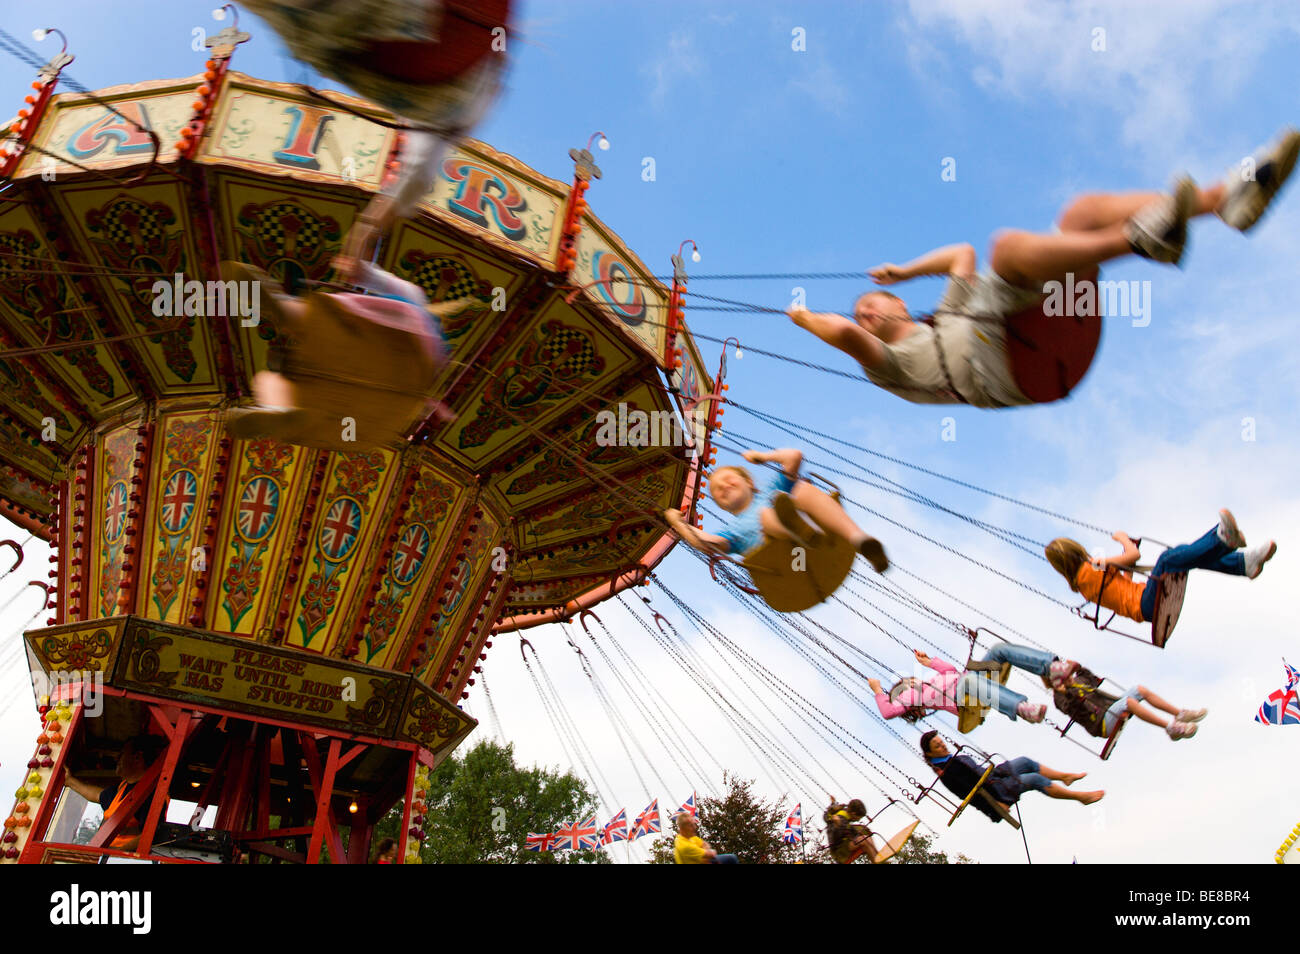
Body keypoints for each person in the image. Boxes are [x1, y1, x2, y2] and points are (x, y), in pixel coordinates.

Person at [789, 127, 1299, 408]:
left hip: (1060, 327)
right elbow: (847, 338)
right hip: (1016, 372)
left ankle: (1224, 200)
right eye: (860, 314)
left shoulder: (945, 316)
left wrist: (903, 270)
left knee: (1080, 213)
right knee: (1006, 251)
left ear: (898, 303)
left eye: (869, 305)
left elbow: (959, 255)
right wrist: (806, 319)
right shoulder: (892, 363)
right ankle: (1142, 238)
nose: (863, 315)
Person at [223, 257, 478, 444]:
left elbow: (369, 275)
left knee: (272, 373)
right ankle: (279, 408)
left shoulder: (416, 298)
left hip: (379, 346)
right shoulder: (428, 350)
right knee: (312, 327)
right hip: (388, 395)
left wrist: (356, 263)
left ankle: (278, 307)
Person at [662, 447, 888, 572]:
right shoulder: (733, 529)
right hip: (795, 565)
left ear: (749, 482)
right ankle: (798, 533)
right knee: (768, 514)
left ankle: (860, 541)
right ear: (724, 507)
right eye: (718, 491)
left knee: (801, 490)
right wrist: (678, 524)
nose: (723, 486)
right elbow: (705, 542)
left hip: (821, 546)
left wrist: (762, 457)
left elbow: (794, 457)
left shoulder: (773, 488)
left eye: (729, 479)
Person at [1045, 508, 1277, 625]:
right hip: (1147, 601)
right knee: (1168, 558)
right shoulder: (1094, 566)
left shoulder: (1084, 584)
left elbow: (1124, 580)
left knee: (1182, 556)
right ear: (1076, 550)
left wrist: (1127, 556)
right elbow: (1134, 554)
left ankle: (1243, 563)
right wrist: (1123, 539)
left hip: (1145, 608)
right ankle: (1222, 540)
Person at [918, 730, 1103, 823]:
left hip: (995, 775)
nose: (943, 746)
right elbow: (967, 795)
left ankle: (1064, 777)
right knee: (1034, 779)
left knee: (1025, 762)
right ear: (931, 754)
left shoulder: (952, 758)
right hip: (995, 791)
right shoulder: (946, 773)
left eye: (941, 742)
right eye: (937, 746)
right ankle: (1080, 798)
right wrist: (993, 808)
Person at [63, 735, 169, 852]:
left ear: (137, 758)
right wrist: (69, 781)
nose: (116, 758)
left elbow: (152, 834)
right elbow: (98, 795)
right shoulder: (123, 787)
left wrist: (114, 856)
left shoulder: (152, 794)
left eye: (122, 754)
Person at [822, 799, 899, 864]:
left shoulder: (845, 811)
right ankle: (878, 861)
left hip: (844, 844)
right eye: (859, 817)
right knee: (864, 840)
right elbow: (835, 836)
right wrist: (837, 825)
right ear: (853, 813)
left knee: (865, 835)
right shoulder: (841, 818)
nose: (859, 819)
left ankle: (878, 857)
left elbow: (830, 812)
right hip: (839, 852)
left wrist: (832, 803)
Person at [673, 814, 737, 864]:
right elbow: (712, 853)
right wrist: (708, 854)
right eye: (691, 826)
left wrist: (706, 856)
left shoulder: (686, 837)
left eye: (694, 824)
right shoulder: (685, 846)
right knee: (731, 858)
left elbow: (705, 844)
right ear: (682, 829)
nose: (695, 828)